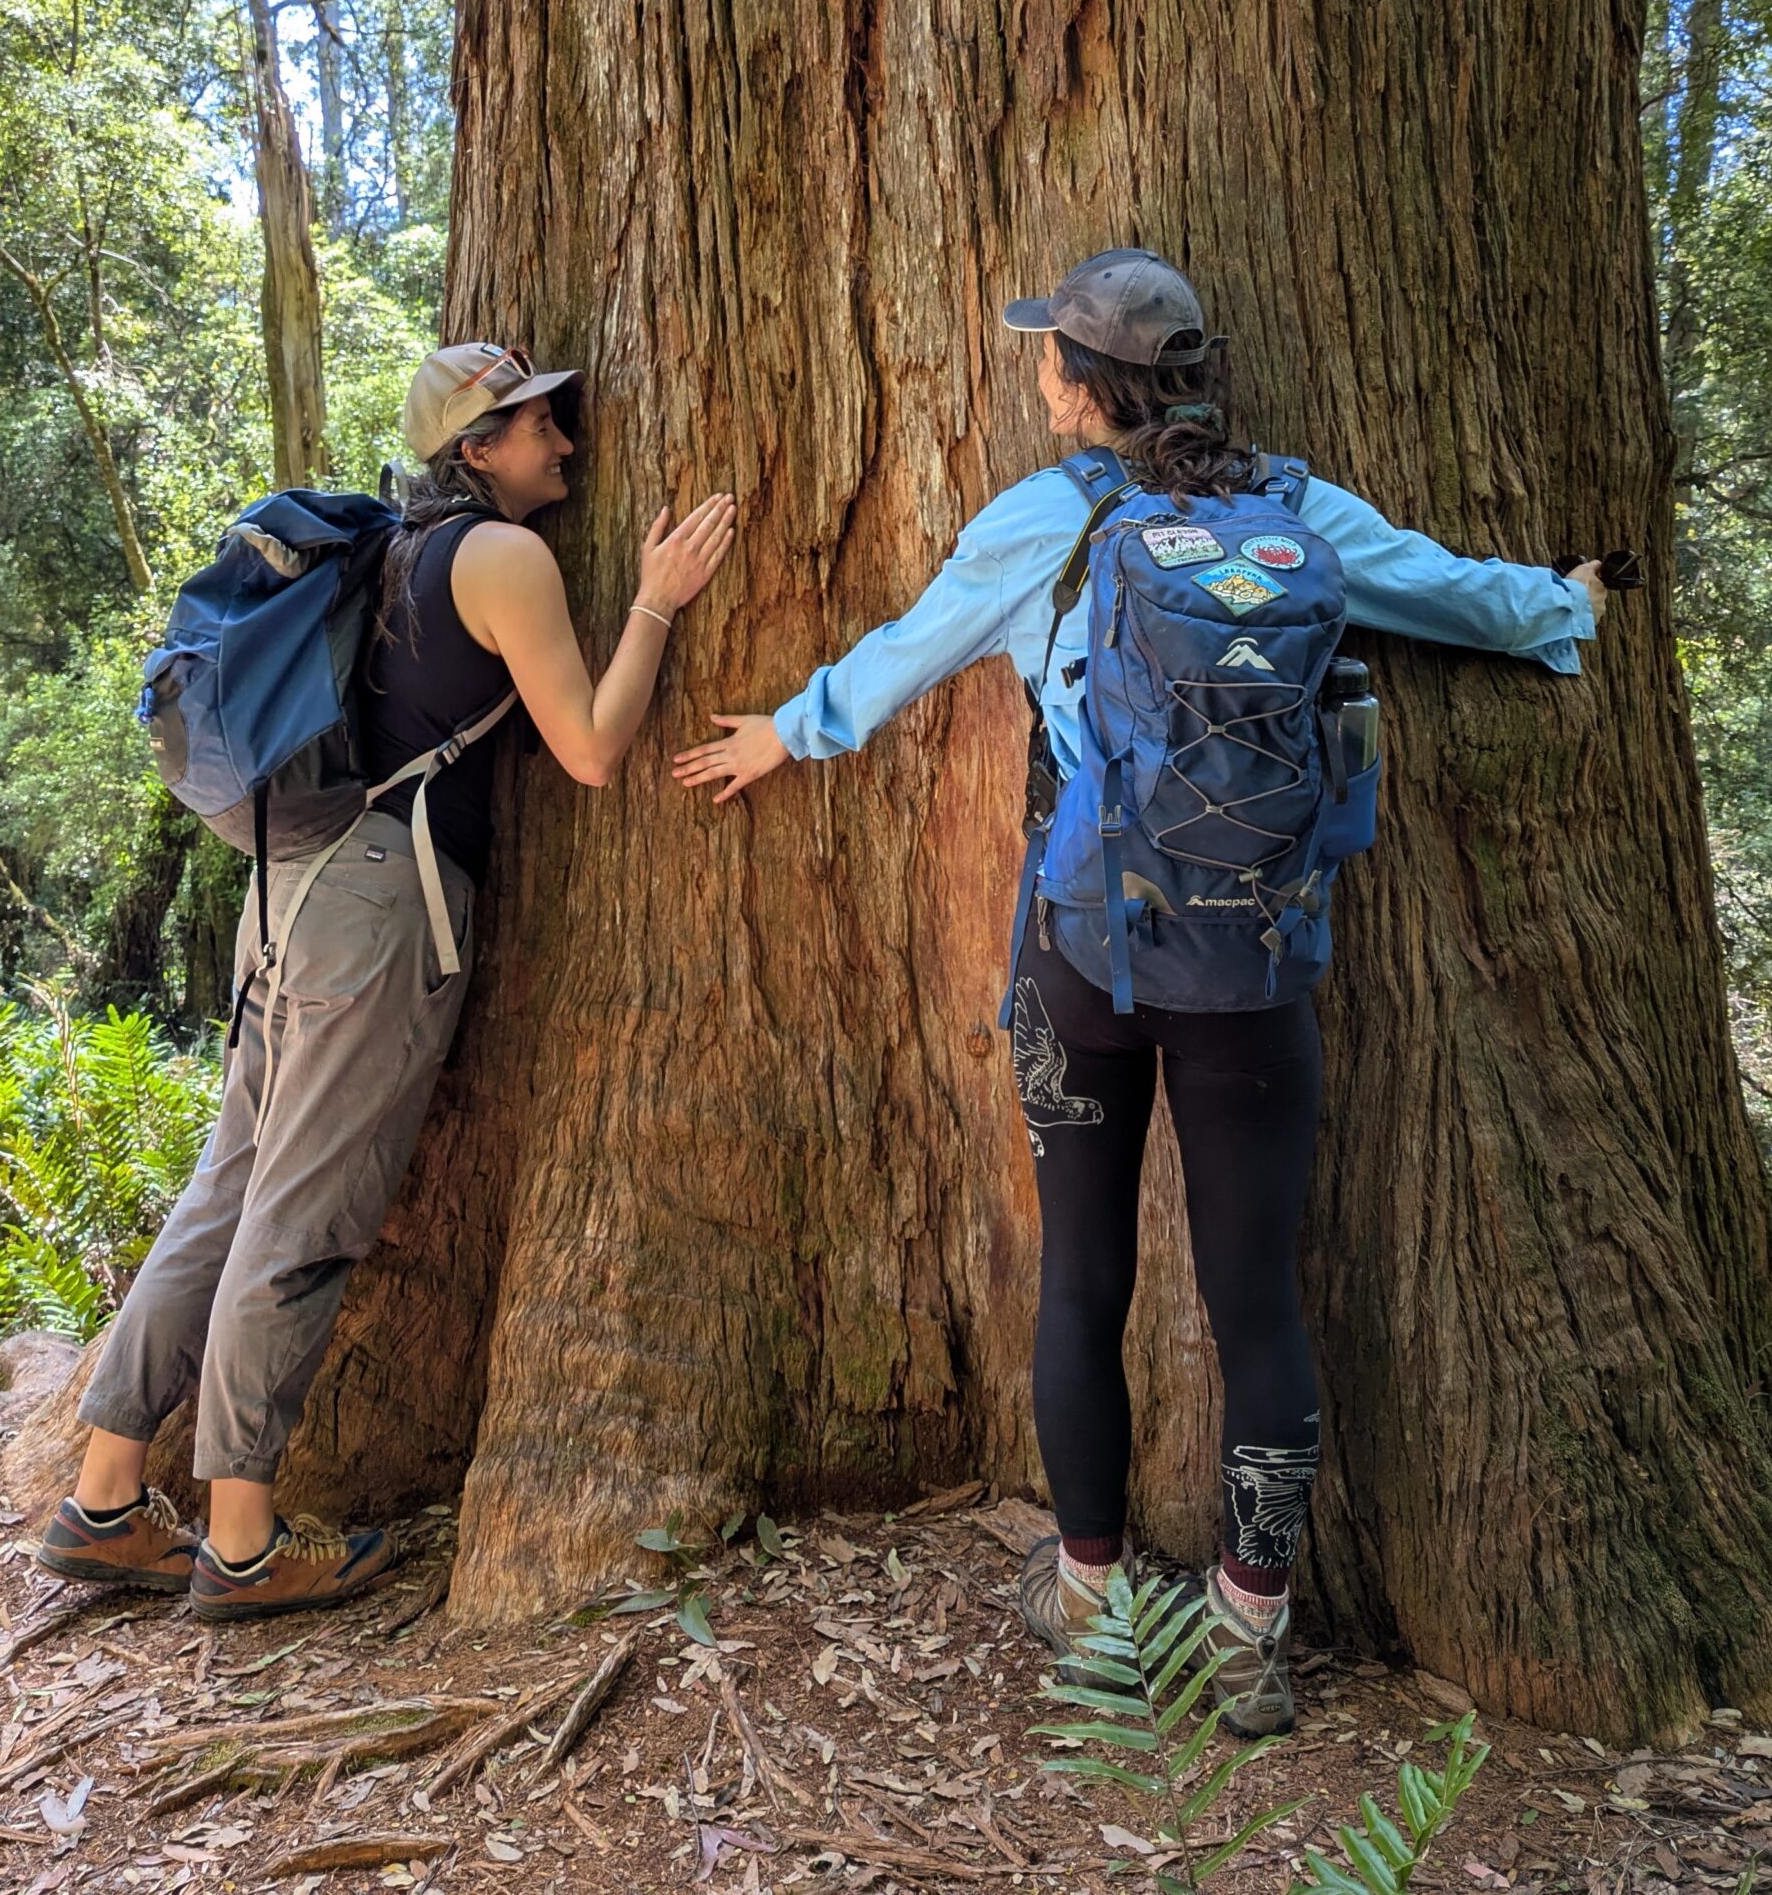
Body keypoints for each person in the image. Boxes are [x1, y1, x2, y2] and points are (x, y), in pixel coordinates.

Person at [674, 250, 1606, 1735]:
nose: (1038, 369)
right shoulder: (1299, 515)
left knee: (1080, 1276)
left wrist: (787, 733)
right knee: (1256, 1301)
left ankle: (1092, 1589)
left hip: (1083, 954)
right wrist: (1560, 605)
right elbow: (1454, 598)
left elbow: (906, 654)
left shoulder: (1043, 524)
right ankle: (1249, 1629)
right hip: (1250, 967)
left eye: (1048, 353)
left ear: (1074, 385)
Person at [40, 342, 736, 1621]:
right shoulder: (499, 557)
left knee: (228, 1190)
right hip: (377, 908)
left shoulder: (390, 550)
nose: (564, 446)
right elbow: (587, 747)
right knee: (302, 1212)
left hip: (289, 894)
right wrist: (655, 601)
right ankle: (243, 1542)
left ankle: (104, 1498)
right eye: (535, 427)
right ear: (474, 450)